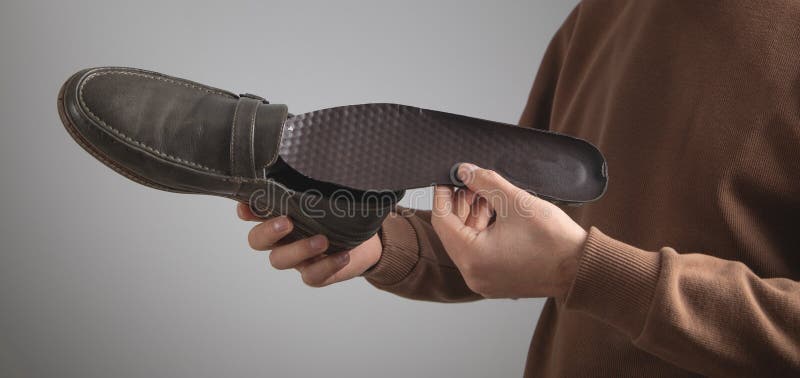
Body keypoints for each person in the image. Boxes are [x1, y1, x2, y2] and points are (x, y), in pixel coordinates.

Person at [237, 1, 800, 376]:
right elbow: (515, 232)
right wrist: (381, 245)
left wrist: (586, 271)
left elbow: (571, 262)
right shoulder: (604, 15)